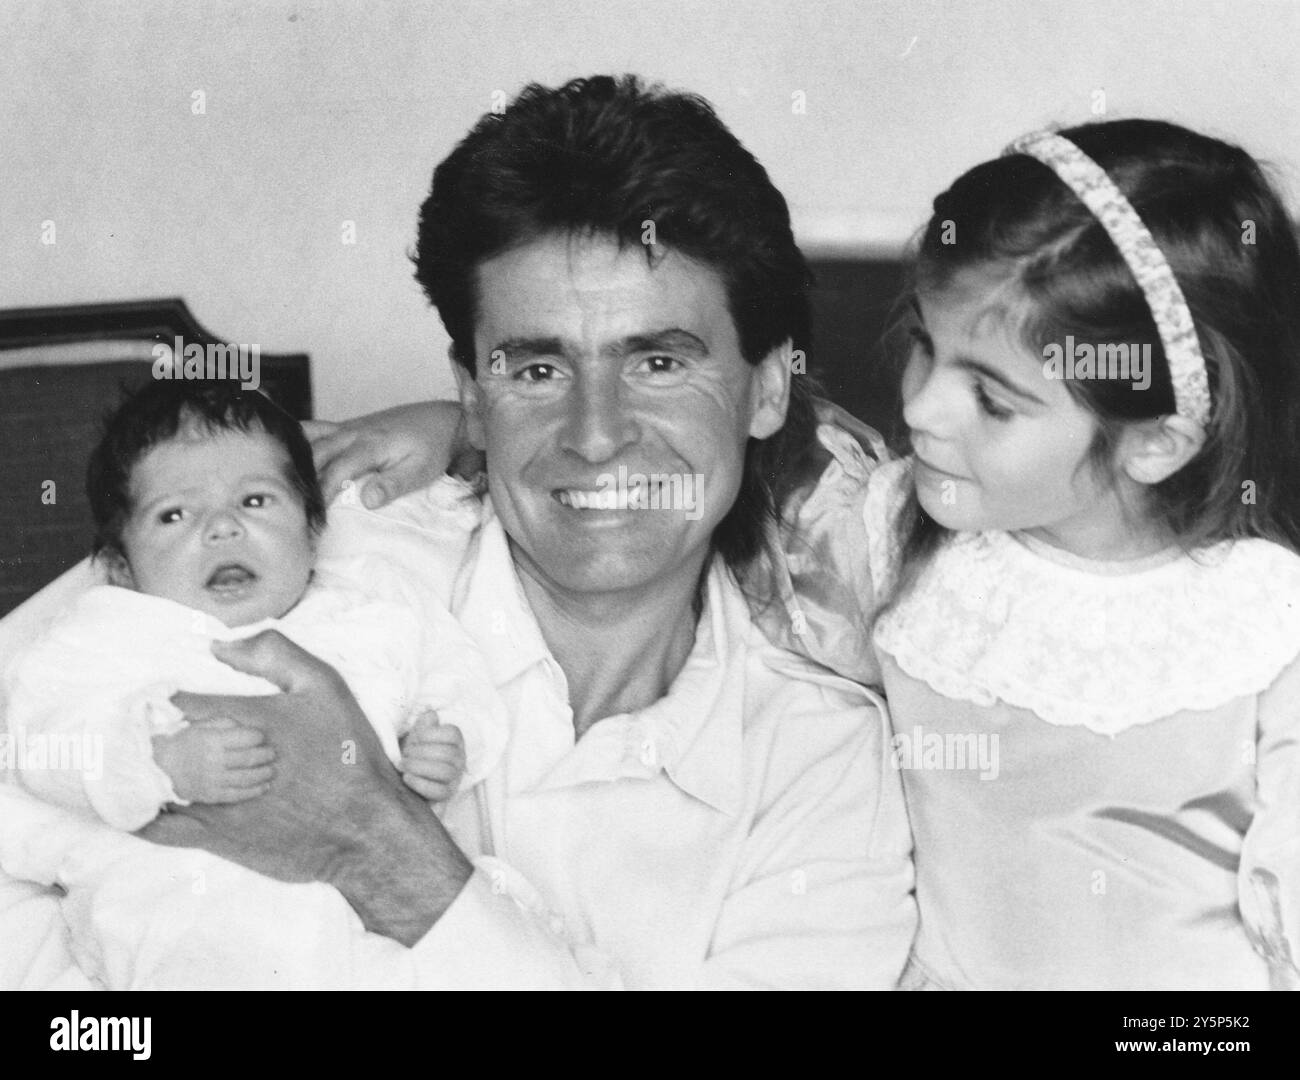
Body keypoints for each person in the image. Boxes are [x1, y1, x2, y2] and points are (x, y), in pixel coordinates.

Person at [324, 117, 1300, 991]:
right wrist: (456, 422)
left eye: (991, 398)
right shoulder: (887, 529)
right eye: (924, 346)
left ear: (1160, 437)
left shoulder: (1264, 627)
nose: (919, 406)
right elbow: (700, 455)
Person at [0, 74, 915, 990]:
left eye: (660, 361)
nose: (596, 435)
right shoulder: (299, 547)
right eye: (538, 369)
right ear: (472, 400)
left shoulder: (821, 763)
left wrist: (380, 850)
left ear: (766, 390)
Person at [4, 380, 496, 831]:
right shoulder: (107, 633)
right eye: (173, 515)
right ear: (121, 567)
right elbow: (39, 745)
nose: (222, 527)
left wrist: (447, 742)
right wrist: (157, 762)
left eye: (255, 500)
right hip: (179, 891)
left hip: (363, 882)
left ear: (313, 526)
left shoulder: (373, 603)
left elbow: (456, 676)